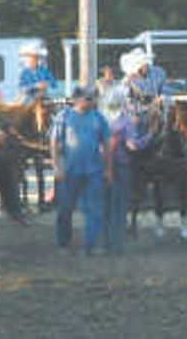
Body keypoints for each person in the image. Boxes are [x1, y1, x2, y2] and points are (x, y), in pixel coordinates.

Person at [51, 86, 112, 255]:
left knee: (95, 209)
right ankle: (63, 243)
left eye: (92, 98)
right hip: (69, 171)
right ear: (77, 99)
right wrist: (57, 167)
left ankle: (92, 244)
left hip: (94, 170)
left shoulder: (99, 118)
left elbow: (107, 145)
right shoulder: (63, 117)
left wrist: (108, 169)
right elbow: (54, 144)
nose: (91, 101)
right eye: (88, 98)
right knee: (65, 208)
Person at [104, 85, 148, 253]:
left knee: (106, 203)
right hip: (122, 165)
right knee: (120, 203)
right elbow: (133, 146)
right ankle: (117, 242)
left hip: (103, 164)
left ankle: (106, 240)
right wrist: (150, 135)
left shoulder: (102, 119)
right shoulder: (127, 122)